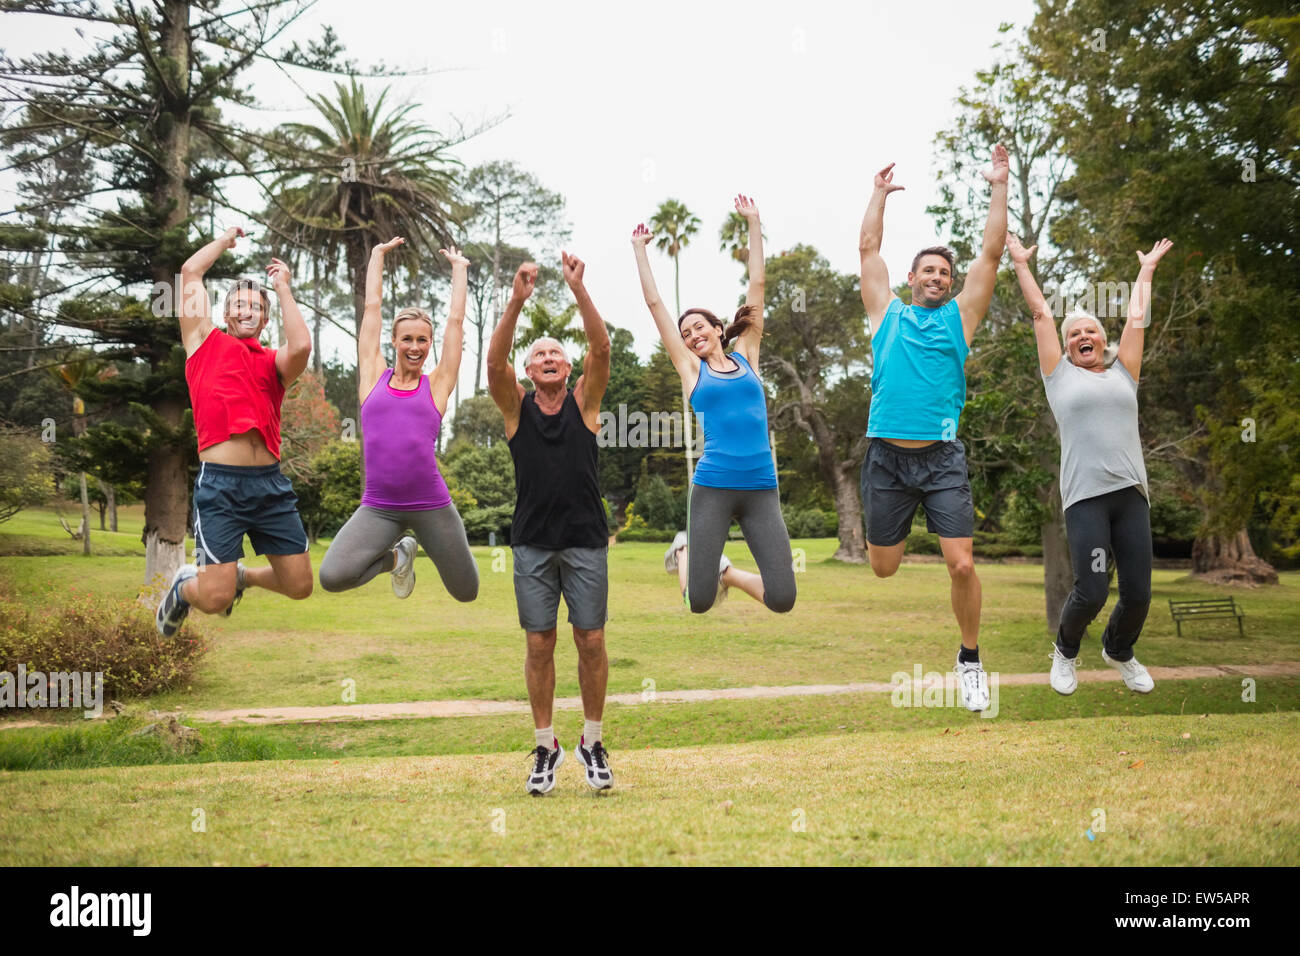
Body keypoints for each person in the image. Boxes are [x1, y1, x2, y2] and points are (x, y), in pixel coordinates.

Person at [857, 150, 1008, 712]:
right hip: (886, 460)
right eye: (929, 270)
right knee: (883, 567)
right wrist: (877, 195)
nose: (938, 277)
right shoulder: (886, 313)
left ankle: (970, 659)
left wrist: (999, 186)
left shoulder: (959, 318)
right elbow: (868, 251)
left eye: (945, 272)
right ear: (913, 277)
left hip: (942, 459)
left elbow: (991, 253)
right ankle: (887, 533)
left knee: (962, 562)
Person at [1006, 233, 1173, 695]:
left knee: (1138, 594)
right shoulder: (1058, 378)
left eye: (1091, 331)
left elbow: (1138, 318)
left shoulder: (1125, 373)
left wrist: (1147, 270)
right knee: (1093, 590)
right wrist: (1021, 263)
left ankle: (1118, 650)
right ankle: (1065, 651)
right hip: (1086, 500)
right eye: (1074, 333)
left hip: (1130, 496)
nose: (1083, 336)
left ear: (1104, 341)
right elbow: (1041, 313)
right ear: (1065, 347)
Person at [631, 195, 796, 617]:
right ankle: (684, 549)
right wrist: (640, 252)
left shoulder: (748, 357)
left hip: (761, 487)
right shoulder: (691, 370)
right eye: (686, 333)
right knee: (698, 602)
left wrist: (754, 223)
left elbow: (757, 283)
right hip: (713, 488)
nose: (691, 335)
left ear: (719, 330)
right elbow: (656, 307)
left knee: (783, 598)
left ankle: (729, 574)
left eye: (699, 327)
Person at [487, 252, 613, 795]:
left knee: (590, 639)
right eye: (538, 353)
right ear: (530, 370)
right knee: (540, 645)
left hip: (586, 541)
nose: (547, 357)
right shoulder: (516, 409)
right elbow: (494, 363)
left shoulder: (586, 403)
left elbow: (601, 349)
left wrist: (578, 291)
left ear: (567, 368)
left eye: (556, 352)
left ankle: (591, 739)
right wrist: (517, 300)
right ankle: (545, 745)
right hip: (533, 545)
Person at [155, 226, 314, 637]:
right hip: (222, 488)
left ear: (264, 317)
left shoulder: (274, 362)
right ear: (226, 314)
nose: (247, 311)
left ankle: (244, 576)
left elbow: (301, 348)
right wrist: (224, 243)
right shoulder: (203, 343)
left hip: (270, 485)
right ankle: (182, 589)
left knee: (300, 586)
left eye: (256, 307)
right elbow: (190, 272)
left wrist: (283, 290)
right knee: (213, 599)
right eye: (239, 305)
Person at [317, 237, 478, 605]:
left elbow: (455, 322)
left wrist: (459, 270)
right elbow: (372, 306)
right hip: (379, 506)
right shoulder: (373, 376)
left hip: (431, 504)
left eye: (423, 340)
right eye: (407, 339)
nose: (416, 347)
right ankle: (399, 557)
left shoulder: (436, 386)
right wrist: (375, 256)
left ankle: (418, 547)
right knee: (332, 576)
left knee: (466, 591)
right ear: (394, 340)